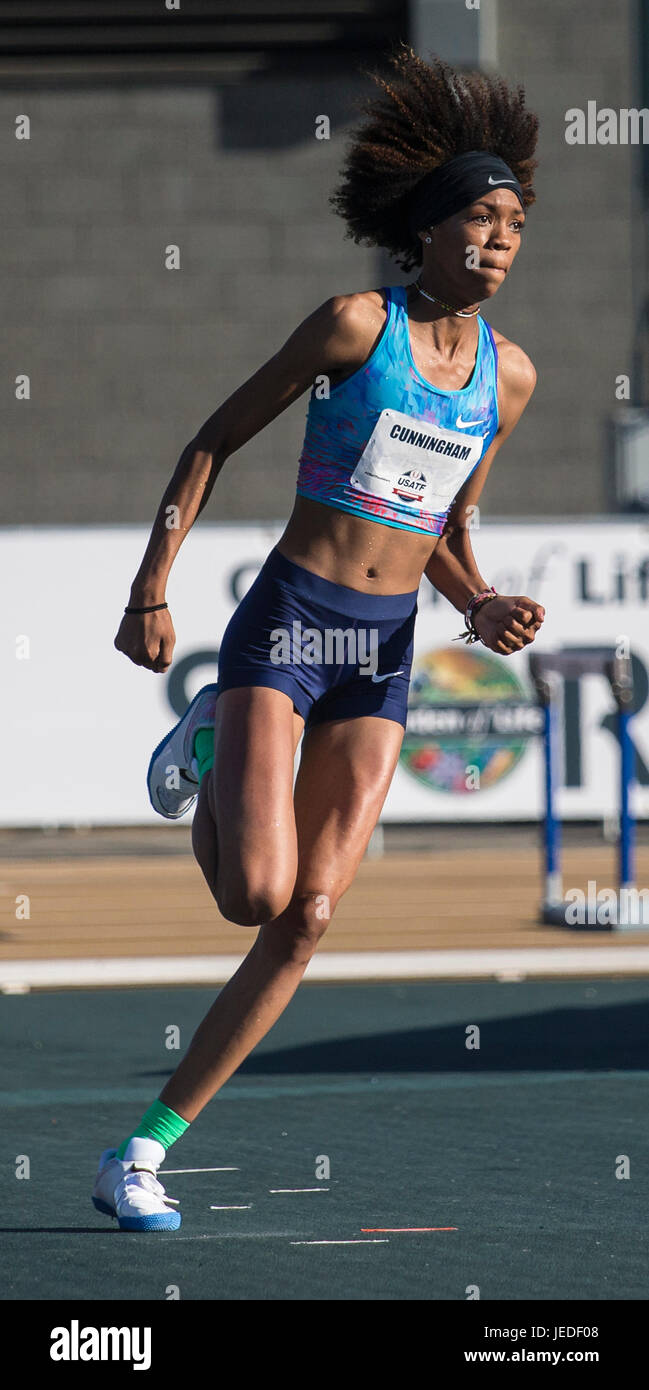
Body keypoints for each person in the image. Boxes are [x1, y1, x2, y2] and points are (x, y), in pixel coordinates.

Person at [94, 46, 545, 1230]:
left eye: (514, 226)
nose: (499, 243)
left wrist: (476, 599)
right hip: (292, 626)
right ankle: (208, 740)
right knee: (252, 889)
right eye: (480, 222)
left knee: (311, 917)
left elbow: (437, 520)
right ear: (427, 231)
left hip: (384, 648)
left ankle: (139, 1154)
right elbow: (211, 437)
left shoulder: (508, 379)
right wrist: (153, 586)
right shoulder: (355, 325)